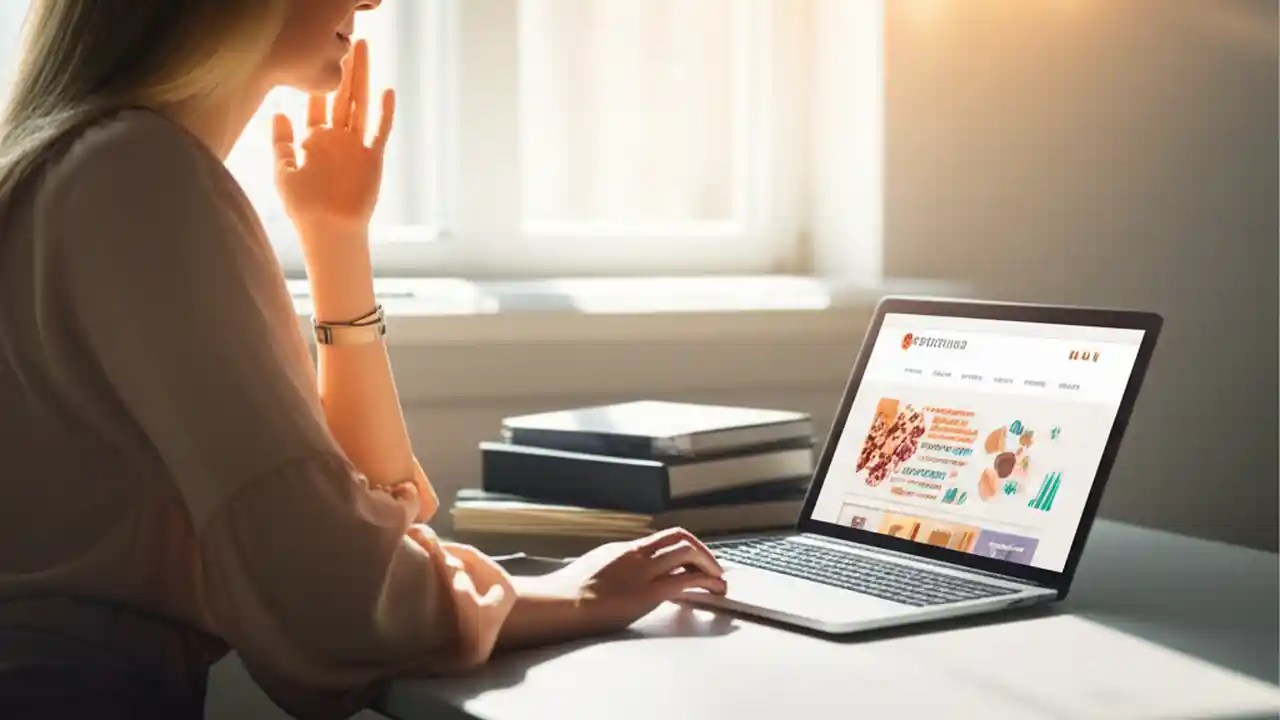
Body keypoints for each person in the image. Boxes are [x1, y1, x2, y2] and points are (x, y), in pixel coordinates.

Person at [0, 1, 727, 718]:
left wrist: (336, 243)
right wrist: (579, 593)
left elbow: (364, 516)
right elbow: (334, 592)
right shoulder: (140, 180)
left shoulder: (82, 171)